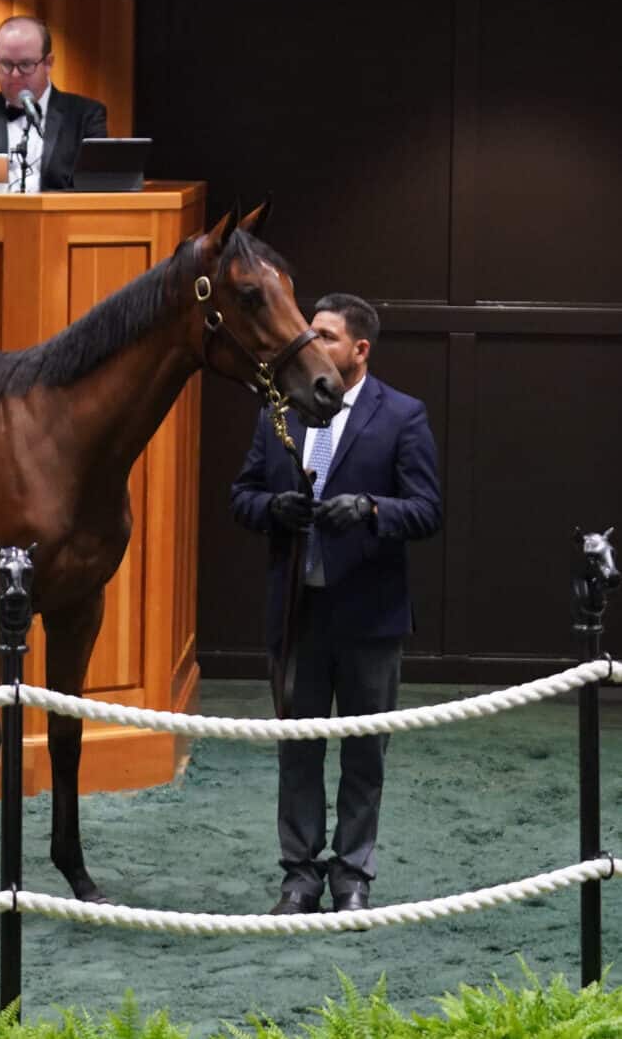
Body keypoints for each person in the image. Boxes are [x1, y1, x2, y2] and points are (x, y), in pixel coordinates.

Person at [230, 292, 442, 915]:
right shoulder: (281, 410)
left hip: (370, 618)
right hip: (297, 614)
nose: (312, 344)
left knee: (363, 751)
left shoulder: (402, 415)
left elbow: (429, 509)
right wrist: (273, 508)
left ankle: (353, 876)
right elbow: (240, 495)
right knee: (297, 750)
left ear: (359, 349)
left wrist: (374, 511)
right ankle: (299, 876)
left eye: (325, 335)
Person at [0, 16, 107, 191]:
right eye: (5, 64)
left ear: (48, 63)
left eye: (26, 64)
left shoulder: (86, 115)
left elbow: (96, 188)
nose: (15, 74)